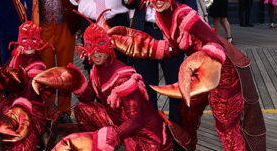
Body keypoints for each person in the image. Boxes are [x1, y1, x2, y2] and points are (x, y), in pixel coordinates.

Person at [112, 0, 266, 150]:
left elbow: (214, 43)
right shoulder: (160, 16)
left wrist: (192, 64)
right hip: (198, 69)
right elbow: (173, 48)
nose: (158, 0)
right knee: (187, 114)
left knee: (226, 123)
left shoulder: (184, 14)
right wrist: (138, 44)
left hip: (222, 68)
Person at [32, 12, 185, 151]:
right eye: (90, 46)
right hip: (120, 121)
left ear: (109, 45)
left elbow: (136, 121)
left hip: (148, 138)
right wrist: (77, 83)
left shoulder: (123, 77)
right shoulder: (96, 70)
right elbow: (88, 98)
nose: (96, 52)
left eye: (100, 45)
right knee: (82, 110)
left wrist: (113, 136)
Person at [119, 0, 196, 122]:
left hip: (172, 35)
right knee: (146, 85)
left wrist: (188, 34)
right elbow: (132, 3)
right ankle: (153, 128)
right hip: (144, 33)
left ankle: (177, 128)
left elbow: (191, 3)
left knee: (176, 85)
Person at [31, 0, 79, 122]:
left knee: (66, 69)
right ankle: (49, 109)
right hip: (43, 26)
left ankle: (65, 110)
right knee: (47, 70)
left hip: (65, 25)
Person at [0, 21, 49, 151]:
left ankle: (38, 137)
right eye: (25, 39)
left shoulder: (39, 66)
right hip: (12, 105)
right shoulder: (15, 57)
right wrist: (3, 74)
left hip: (33, 110)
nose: (29, 44)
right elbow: (3, 84)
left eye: (33, 39)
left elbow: (29, 94)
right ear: (19, 40)